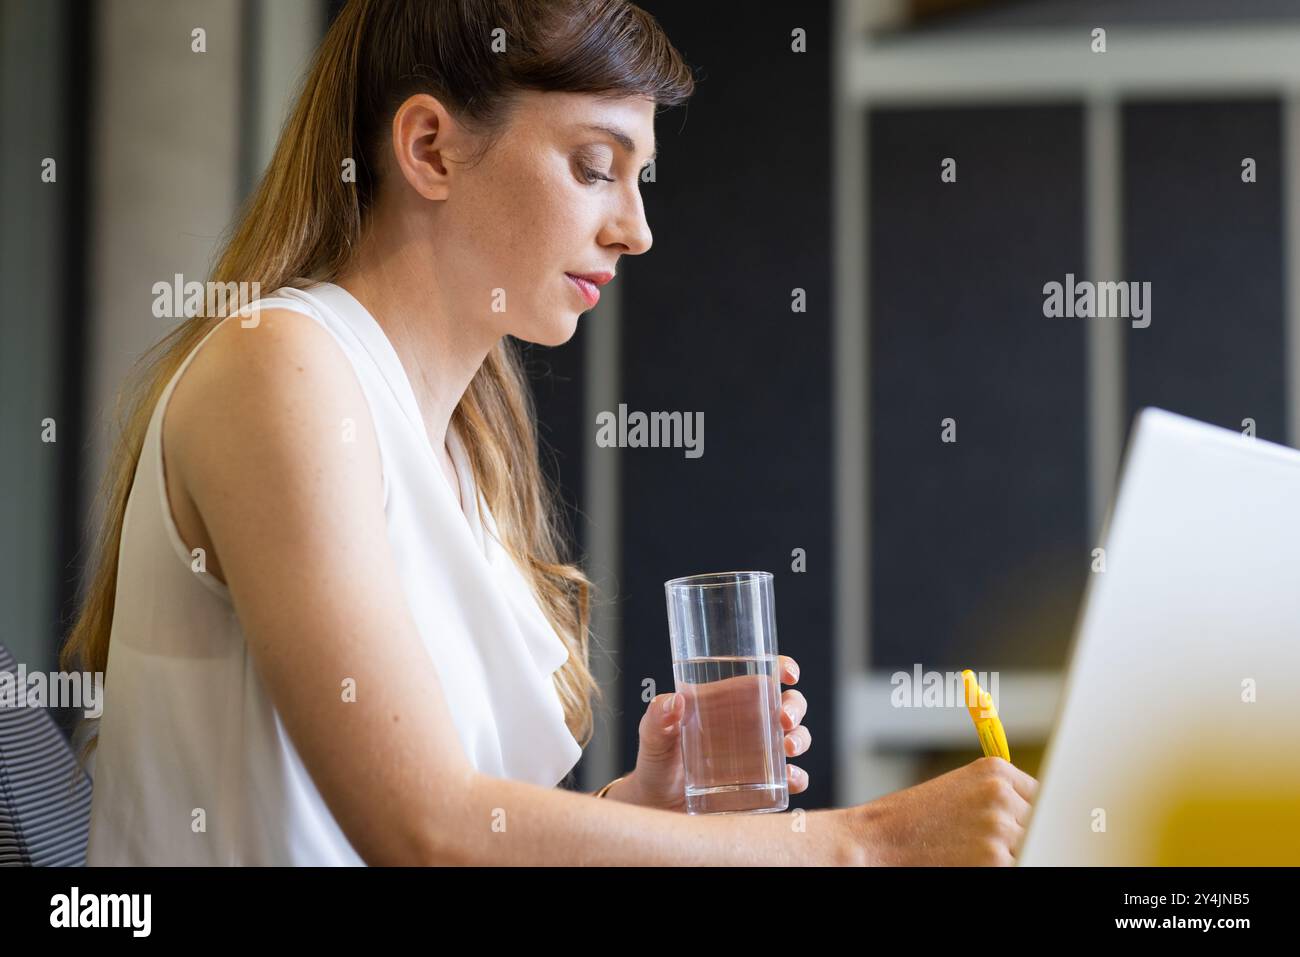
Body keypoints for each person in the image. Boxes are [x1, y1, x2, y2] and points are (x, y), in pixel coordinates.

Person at [64, 0, 1036, 865]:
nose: (636, 228)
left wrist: (636, 807)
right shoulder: (280, 368)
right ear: (431, 148)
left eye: (639, 177)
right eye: (594, 166)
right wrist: (862, 844)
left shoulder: (465, 445)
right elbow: (426, 833)